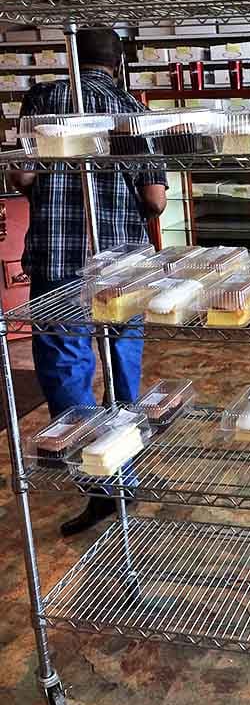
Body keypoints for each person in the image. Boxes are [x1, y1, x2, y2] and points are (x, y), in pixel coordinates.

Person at [10, 28, 167, 536]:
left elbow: (23, 178)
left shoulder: (42, 101)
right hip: (122, 263)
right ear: (118, 65)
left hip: (59, 260)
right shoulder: (131, 111)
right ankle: (127, 466)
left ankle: (98, 482)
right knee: (124, 362)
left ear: (69, 57)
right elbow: (157, 201)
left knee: (67, 369)